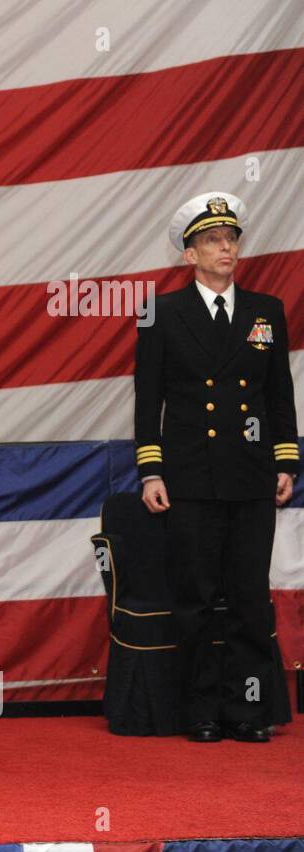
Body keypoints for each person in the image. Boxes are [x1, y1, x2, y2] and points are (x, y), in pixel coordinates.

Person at [135, 192, 298, 743]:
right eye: (212, 240)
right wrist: (151, 470)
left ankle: (248, 708)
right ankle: (202, 709)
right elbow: (146, 398)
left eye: (231, 239)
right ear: (189, 255)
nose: (225, 247)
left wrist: (285, 458)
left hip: (250, 474)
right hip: (190, 475)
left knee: (249, 595)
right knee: (197, 598)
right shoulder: (161, 312)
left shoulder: (265, 311)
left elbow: (279, 392)